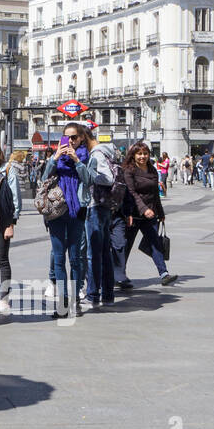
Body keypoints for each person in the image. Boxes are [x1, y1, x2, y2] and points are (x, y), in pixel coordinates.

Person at [42, 123, 89, 317]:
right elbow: (43, 179)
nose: (70, 141)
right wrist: (55, 158)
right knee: (59, 259)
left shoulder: (86, 157)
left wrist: (77, 160)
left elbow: (89, 180)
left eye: (74, 138)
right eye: (66, 137)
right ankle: (62, 303)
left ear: (81, 139)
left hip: (77, 211)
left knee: (76, 259)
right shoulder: (57, 160)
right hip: (56, 212)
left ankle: (75, 302)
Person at [120, 142, 178, 286]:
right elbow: (132, 192)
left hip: (151, 213)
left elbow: (155, 194)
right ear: (133, 155)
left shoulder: (152, 169)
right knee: (126, 245)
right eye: (139, 154)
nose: (143, 156)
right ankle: (120, 276)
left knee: (155, 243)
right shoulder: (129, 170)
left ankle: (164, 273)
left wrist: (160, 212)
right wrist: (144, 209)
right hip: (133, 213)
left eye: (145, 153)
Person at [83, 131, 123, 308]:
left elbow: (107, 179)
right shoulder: (107, 152)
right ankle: (108, 295)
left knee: (94, 254)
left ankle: (93, 295)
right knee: (104, 253)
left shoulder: (97, 154)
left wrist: (86, 175)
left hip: (96, 206)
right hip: (105, 205)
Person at [0, 146, 24, 315]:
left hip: (2, 221)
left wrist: (11, 222)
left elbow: (15, 197)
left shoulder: (7, 169)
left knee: (1, 259)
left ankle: (4, 298)